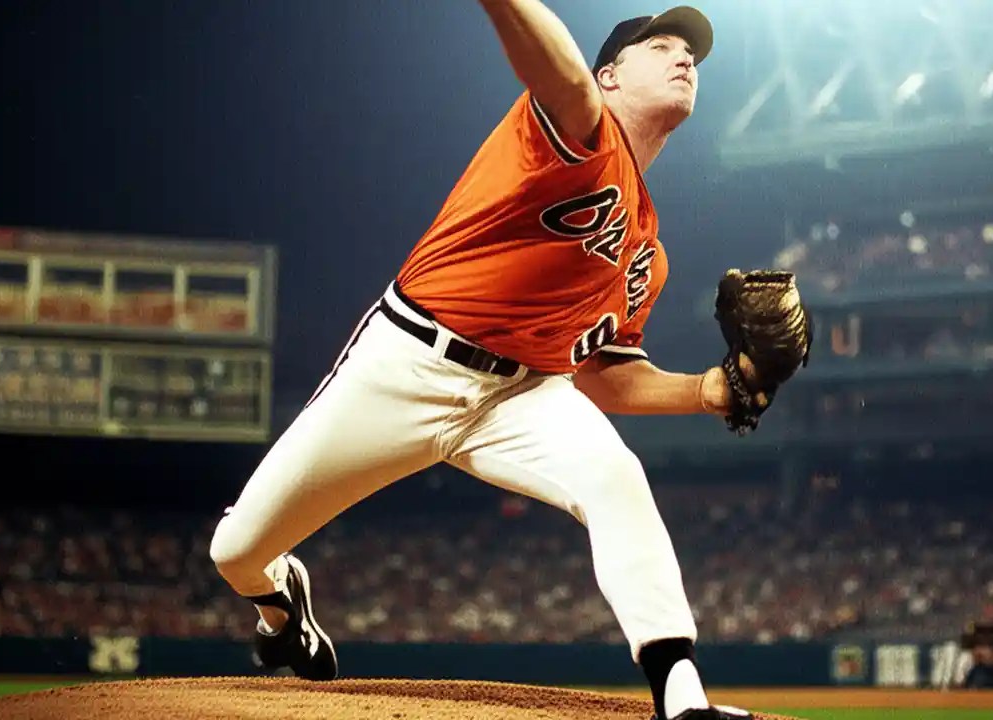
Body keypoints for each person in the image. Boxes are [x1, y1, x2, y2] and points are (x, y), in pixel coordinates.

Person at [208, 3, 758, 719]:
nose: (685, 58)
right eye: (662, 46)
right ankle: (281, 612)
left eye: (692, 54)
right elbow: (554, 67)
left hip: (522, 394)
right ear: (609, 76)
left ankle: (682, 699)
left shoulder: (646, 253)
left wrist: (710, 390)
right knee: (235, 552)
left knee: (615, 475)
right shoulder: (576, 127)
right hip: (408, 364)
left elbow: (605, 375)